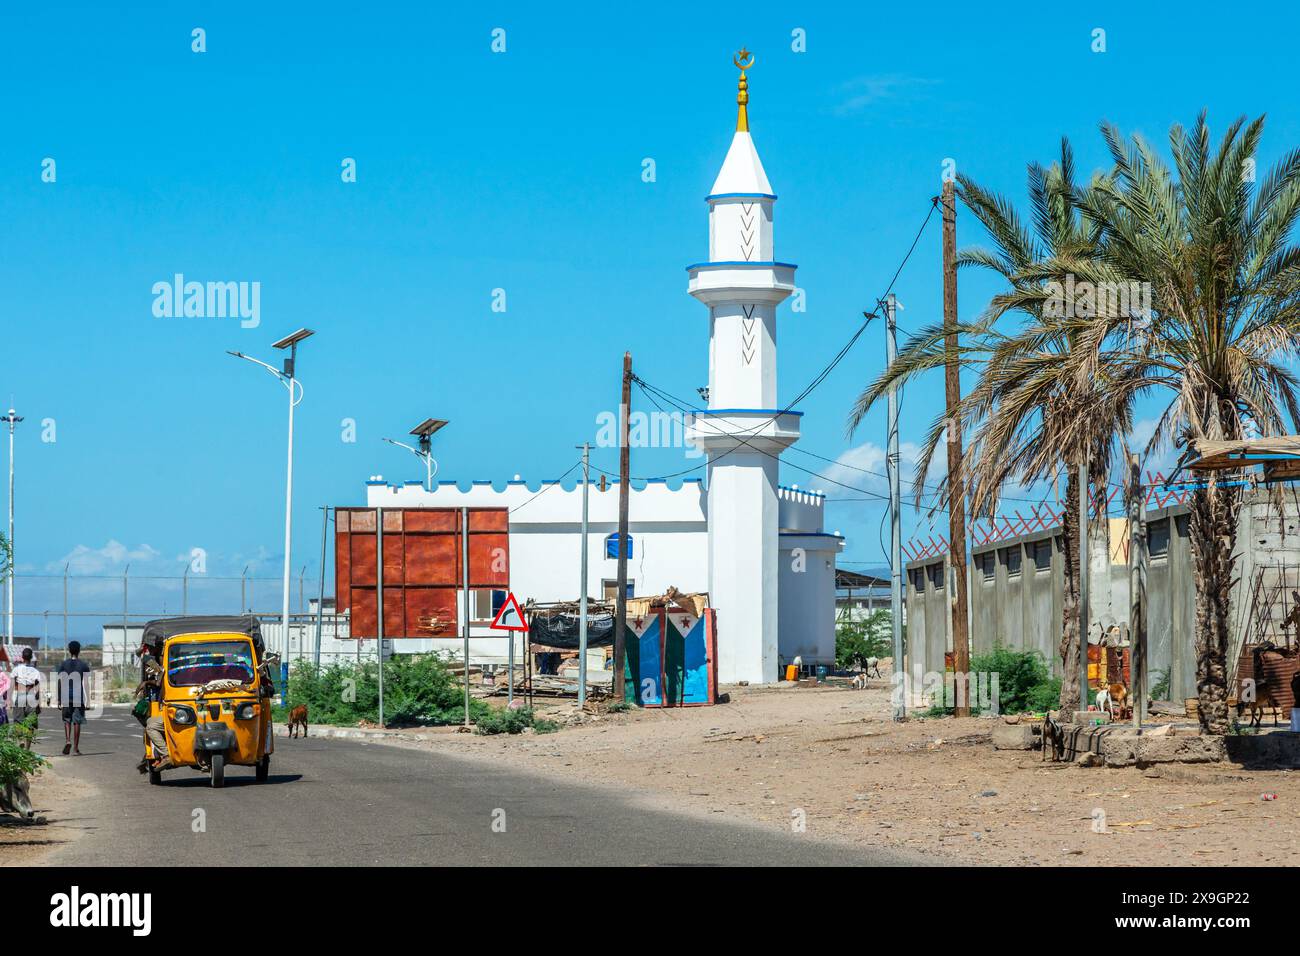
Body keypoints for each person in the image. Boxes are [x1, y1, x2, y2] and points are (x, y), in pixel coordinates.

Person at [56, 640, 92, 756]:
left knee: (67, 720)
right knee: (77, 721)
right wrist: (88, 700)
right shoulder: (83, 665)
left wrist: (59, 699)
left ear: (69, 650)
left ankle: (67, 740)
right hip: (78, 696)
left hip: (66, 696)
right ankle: (76, 749)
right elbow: (86, 683)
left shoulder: (63, 664)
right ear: (79, 651)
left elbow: (60, 682)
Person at [10, 647, 42, 741]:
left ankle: (20, 742)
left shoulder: (16, 669)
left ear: (22, 657)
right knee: (30, 722)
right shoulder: (35, 671)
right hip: (31, 695)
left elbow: (11, 686)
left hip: (21, 694)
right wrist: (39, 704)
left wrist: (9, 699)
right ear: (31, 657)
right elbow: (38, 689)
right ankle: (27, 747)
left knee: (18, 721)